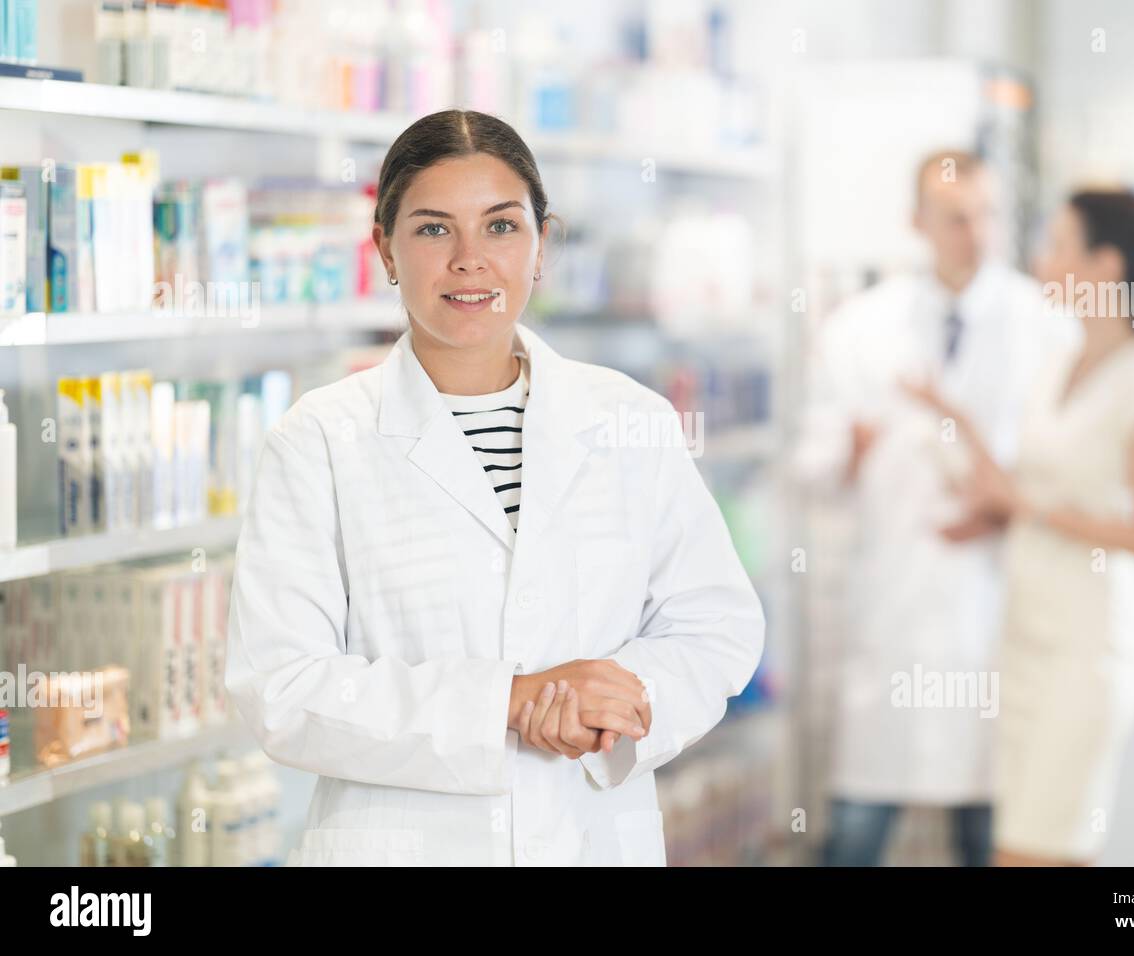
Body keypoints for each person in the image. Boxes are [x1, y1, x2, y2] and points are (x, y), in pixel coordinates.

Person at [225, 109, 765, 866]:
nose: (471, 259)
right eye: (434, 229)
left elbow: (714, 625)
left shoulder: (628, 421)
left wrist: (620, 702)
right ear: (384, 249)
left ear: (543, 244)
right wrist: (506, 703)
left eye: (502, 227)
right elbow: (281, 686)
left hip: (591, 835)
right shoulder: (319, 440)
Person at [904, 189, 1134, 865]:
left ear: (1105, 263)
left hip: (1088, 648)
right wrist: (954, 433)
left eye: (1058, 245)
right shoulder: (1059, 365)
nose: (1040, 261)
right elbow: (1025, 489)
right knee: (1041, 846)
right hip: (1025, 638)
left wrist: (1026, 510)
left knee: (1031, 851)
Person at [795, 150, 1073, 866]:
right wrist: (853, 454)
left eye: (986, 216)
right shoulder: (860, 327)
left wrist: (1011, 508)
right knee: (857, 827)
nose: (974, 234)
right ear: (916, 222)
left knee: (990, 828)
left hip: (997, 603)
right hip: (896, 602)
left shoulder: (1046, 326)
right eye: (955, 218)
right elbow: (812, 469)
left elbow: (1070, 474)